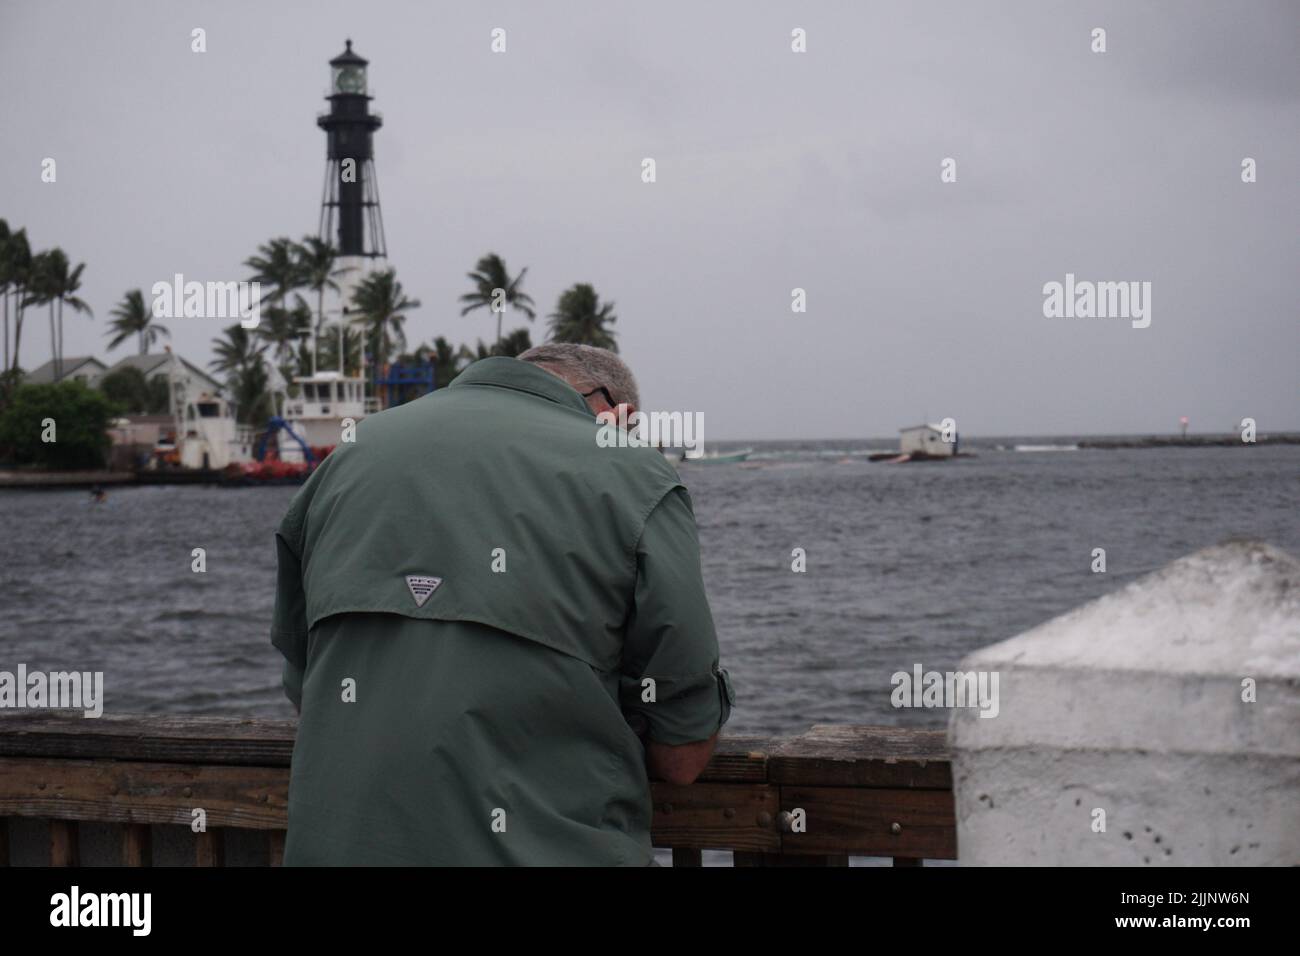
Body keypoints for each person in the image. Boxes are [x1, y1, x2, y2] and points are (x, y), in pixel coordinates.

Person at [271, 343, 733, 865]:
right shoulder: (634, 472)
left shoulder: (349, 456)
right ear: (609, 408)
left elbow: (308, 689)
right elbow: (683, 752)